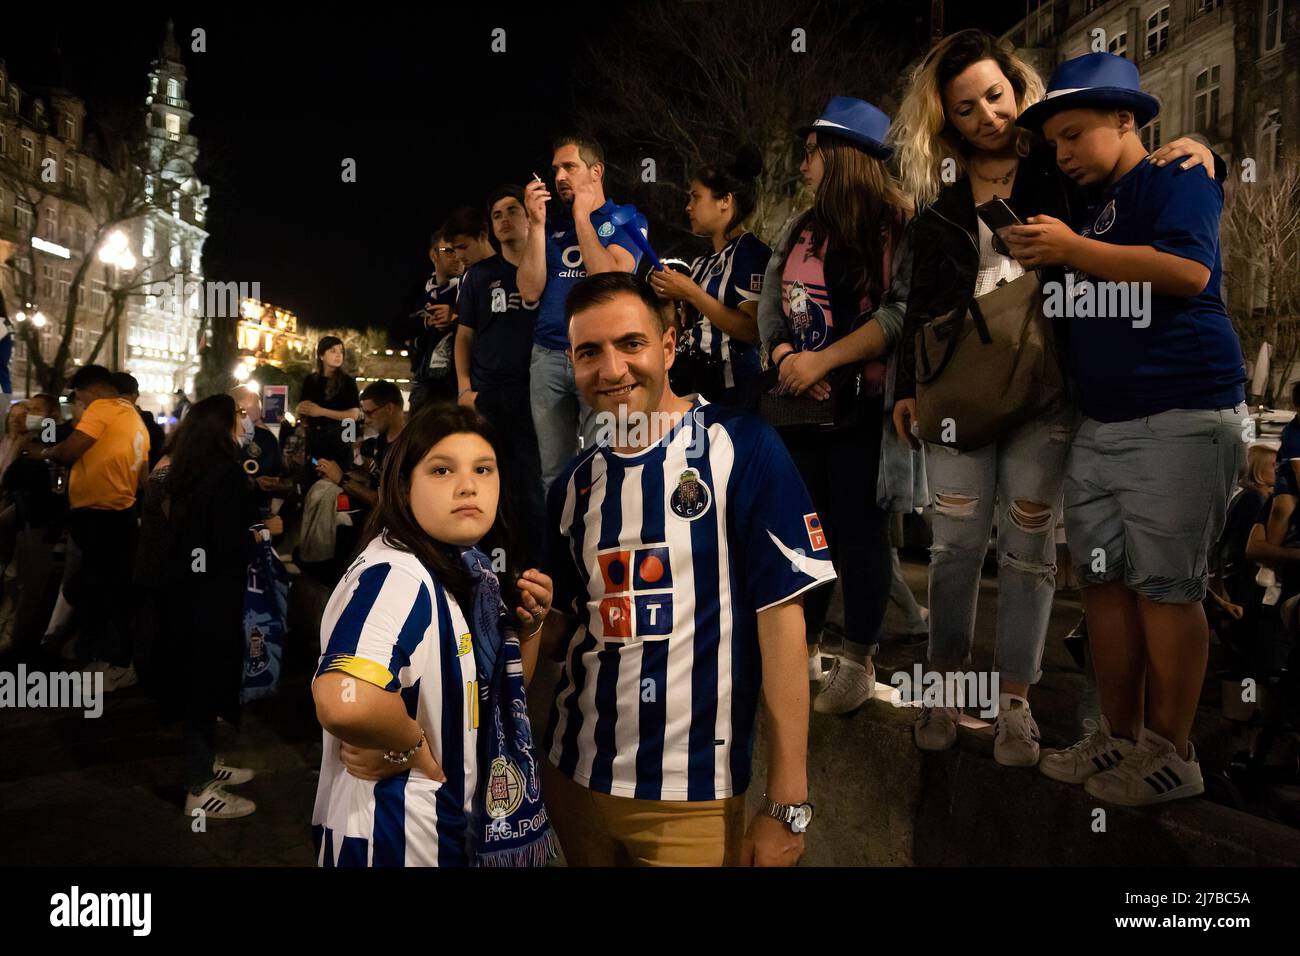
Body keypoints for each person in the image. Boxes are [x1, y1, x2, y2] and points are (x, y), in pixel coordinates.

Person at [890, 30, 1217, 765]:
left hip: (1047, 386)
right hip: (955, 396)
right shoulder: (937, 200)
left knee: (1032, 547)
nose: (987, 116)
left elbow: (1140, 193)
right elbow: (915, 301)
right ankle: (945, 692)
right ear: (947, 118)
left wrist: (1199, 146)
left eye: (996, 96)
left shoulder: (1064, 171)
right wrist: (903, 392)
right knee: (955, 546)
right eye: (966, 107)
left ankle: (1015, 707)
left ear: (1018, 89)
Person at [1007, 52, 1246, 805]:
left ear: (1126, 120)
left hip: (1180, 410)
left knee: (1169, 590)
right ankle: (1116, 740)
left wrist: (1073, 251)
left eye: (1075, 133)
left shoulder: (1176, 174)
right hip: (1104, 422)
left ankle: (1172, 755)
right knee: (1103, 586)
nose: (1064, 152)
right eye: (1055, 143)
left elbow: (1187, 273)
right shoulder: (1089, 206)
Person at [539, 272, 833, 866]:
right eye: (589, 353)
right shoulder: (573, 483)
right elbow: (559, 630)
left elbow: (782, 626)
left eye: (631, 344)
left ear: (668, 347)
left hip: (693, 799)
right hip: (572, 781)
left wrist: (787, 804)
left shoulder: (741, 447)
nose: (613, 369)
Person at [311, 404, 556, 866]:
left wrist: (530, 625)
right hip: (398, 837)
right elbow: (344, 698)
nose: (469, 485)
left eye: (483, 469)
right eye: (442, 470)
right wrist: (411, 748)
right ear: (404, 486)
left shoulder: (467, 569)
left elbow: (503, 695)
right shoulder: (398, 575)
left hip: (439, 829)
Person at [755, 96, 910, 713]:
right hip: (799, 407)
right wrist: (787, 357)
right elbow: (771, 302)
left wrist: (826, 361)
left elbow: (898, 314)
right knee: (804, 531)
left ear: (845, 157)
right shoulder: (802, 226)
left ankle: (858, 661)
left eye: (813, 152)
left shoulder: (894, 226)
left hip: (862, 410)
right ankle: (806, 652)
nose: (803, 164)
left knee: (859, 533)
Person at [156, 395, 276, 819]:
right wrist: (262, 535)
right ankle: (198, 790)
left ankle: (205, 764)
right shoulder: (223, 474)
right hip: (210, 602)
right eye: (239, 416)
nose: (246, 422)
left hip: (186, 598)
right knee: (204, 688)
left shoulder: (184, 469)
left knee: (200, 686)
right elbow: (226, 543)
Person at [518, 134, 645, 493]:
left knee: (602, 462)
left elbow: (609, 279)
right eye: (555, 169)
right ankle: (562, 548)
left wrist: (582, 218)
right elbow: (528, 289)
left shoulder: (625, 219)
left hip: (600, 358)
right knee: (554, 473)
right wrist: (537, 227)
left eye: (569, 167)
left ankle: (601, 545)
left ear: (596, 171)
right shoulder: (550, 224)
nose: (558, 176)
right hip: (548, 357)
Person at [22, 364, 148, 690]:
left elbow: (70, 450)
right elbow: (143, 474)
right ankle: (103, 657)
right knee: (106, 591)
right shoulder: (133, 417)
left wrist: (42, 452)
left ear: (85, 393)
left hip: (99, 517)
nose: (78, 408)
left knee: (97, 591)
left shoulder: (102, 408)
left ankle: (112, 663)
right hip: (121, 514)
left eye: (77, 399)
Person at [455, 185, 545, 565]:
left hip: (534, 392)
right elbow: (464, 336)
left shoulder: (548, 268)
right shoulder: (478, 276)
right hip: (488, 394)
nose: (505, 219)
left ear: (529, 217)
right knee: (490, 480)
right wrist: (464, 389)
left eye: (513, 211)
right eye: (497, 215)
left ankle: (535, 567)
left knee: (533, 485)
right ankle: (488, 569)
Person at [649, 146, 769, 405]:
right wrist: (666, 298)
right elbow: (688, 332)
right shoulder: (702, 262)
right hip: (697, 386)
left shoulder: (750, 252)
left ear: (725, 200)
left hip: (737, 392)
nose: (688, 207)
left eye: (695, 197)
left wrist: (690, 291)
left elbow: (752, 329)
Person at [314, 379, 406, 513]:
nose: (366, 420)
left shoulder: (409, 448)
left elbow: (388, 504)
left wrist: (342, 479)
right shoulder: (381, 440)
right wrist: (337, 473)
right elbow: (376, 480)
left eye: (370, 413)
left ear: (389, 408)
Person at [408, 230, 463, 411]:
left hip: (454, 382)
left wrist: (454, 317)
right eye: (448, 251)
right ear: (434, 255)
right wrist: (425, 324)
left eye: (460, 249)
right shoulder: (420, 292)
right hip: (423, 379)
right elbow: (398, 330)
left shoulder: (470, 287)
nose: (457, 256)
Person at [299, 336, 362, 475]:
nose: (338, 355)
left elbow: (353, 415)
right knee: (313, 479)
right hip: (315, 440)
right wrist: (302, 409)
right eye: (333, 351)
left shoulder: (348, 382)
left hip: (341, 439)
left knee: (338, 483)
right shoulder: (311, 380)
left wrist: (321, 411)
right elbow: (303, 406)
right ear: (321, 355)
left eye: (341, 351)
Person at [232, 386, 285, 515]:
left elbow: (278, 471)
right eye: (253, 401)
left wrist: (274, 483)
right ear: (238, 406)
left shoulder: (267, 438)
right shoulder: (222, 437)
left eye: (259, 401)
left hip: (259, 506)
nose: (259, 405)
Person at [111, 372, 165, 472]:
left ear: (134, 397)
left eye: (120, 399)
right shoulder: (102, 425)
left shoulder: (152, 430)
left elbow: (153, 468)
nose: (115, 404)